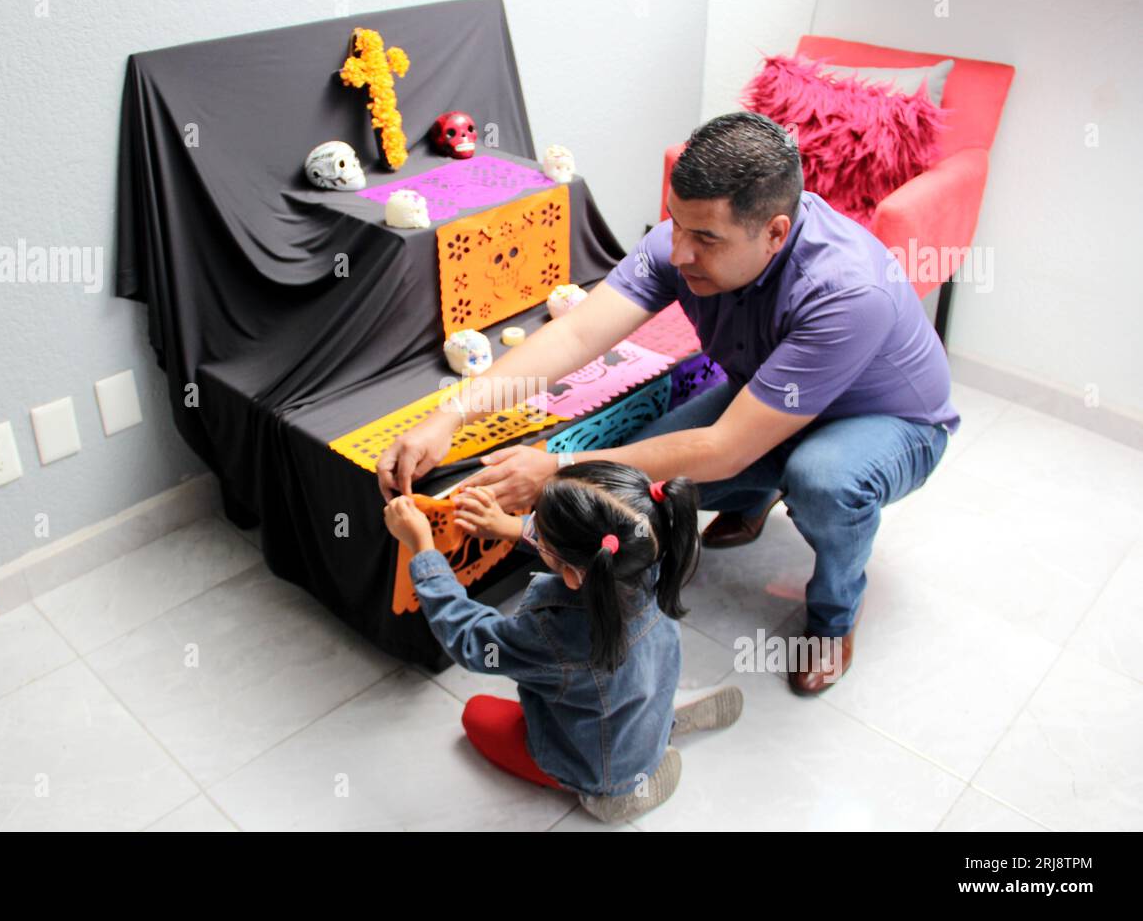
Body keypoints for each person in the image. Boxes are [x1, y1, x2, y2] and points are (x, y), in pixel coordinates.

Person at [378, 111, 958, 695]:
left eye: (705, 238)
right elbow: (577, 336)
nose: (679, 251)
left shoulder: (847, 292)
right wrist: (449, 415)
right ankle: (758, 493)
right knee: (646, 483)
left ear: (776, 233)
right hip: (767, 396)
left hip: (887, 421)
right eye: (676, 224)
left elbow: (723, 447)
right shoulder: (680, 242)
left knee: (822, 481)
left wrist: (556, 469)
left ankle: (833, 617)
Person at [383, 461, 743, 823]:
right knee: (626, 699)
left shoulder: (553, 635)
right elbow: (587, 545)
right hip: (642, 692)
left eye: (538, 528)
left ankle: (616, 795)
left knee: (475, 713)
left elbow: (470, 640)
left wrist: (423, 548)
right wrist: (508, 527)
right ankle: (661, 724)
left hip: (601, 766)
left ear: (572, 574)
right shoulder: (650, 552)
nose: (533, 527)